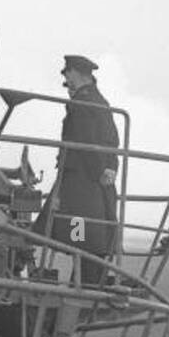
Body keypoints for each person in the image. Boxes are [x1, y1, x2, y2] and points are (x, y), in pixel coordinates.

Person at [38, 54, 119, 286]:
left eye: (68, 74)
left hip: (81, 182)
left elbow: (86, 141)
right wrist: (110, 168)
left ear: (77, 73)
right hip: (95, 182)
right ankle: (86, 281)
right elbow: (112, 140)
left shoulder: (82, 104)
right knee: (93, 233)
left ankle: (83, 284)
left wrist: (98, 171)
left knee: (79, 233)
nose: (67, 80)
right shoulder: (101, 102)